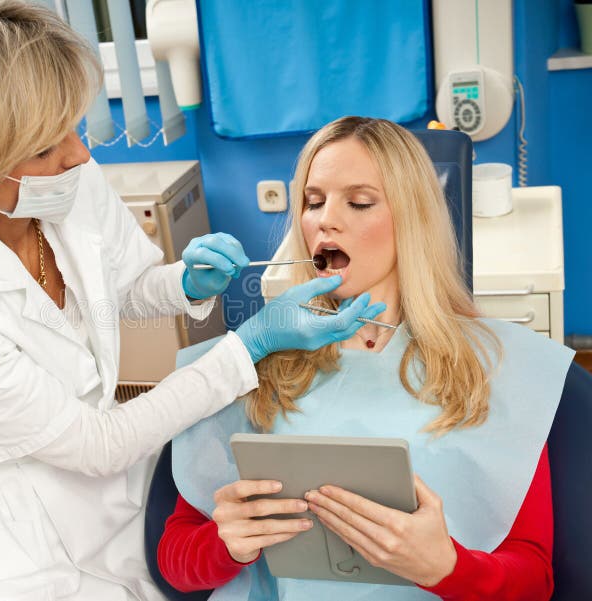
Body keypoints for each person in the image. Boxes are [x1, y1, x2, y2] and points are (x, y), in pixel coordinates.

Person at [0, 2, 385, 600]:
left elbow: (123, 290)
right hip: (2, 545)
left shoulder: (59, 186)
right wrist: (251, 343)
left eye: (72, 128)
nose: (78, 155)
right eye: (43, 146)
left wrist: (184, 283)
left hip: (109, 490)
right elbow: (96, 445)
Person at [158, 116, 574, 601]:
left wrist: (447, 568)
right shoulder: (253, 364)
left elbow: (533, 581)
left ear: (412, 219)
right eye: (313, 202)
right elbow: (175, 560)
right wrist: (222, 544)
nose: (324, 220)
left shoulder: (495, 369)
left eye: (359, 202)